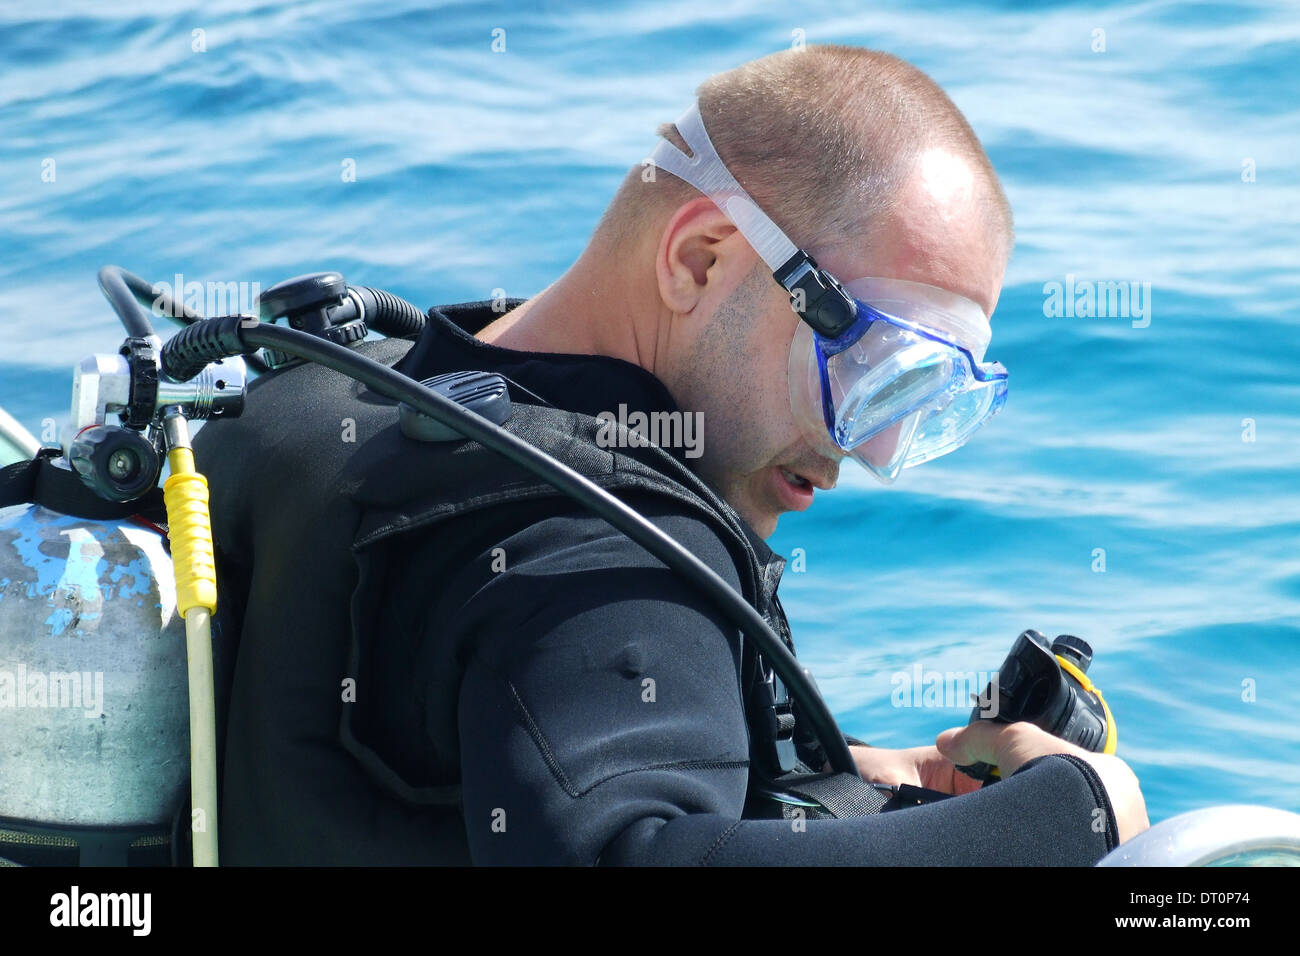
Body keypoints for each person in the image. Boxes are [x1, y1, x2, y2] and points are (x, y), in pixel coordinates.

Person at [193, 44, 1148, 865]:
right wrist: (1070, 819)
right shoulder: (605, 545)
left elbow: (504, 742)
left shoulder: (339, 396)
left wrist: (869, 779)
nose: (873, 446)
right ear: (701, 259)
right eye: (872, 367)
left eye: (927, 401)